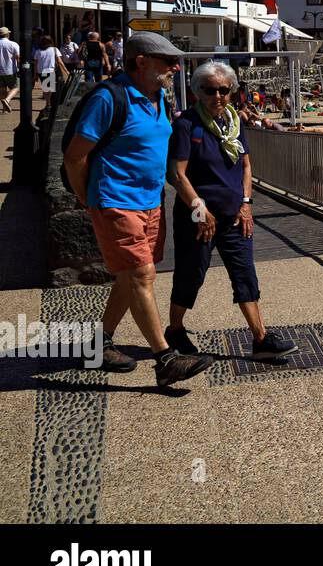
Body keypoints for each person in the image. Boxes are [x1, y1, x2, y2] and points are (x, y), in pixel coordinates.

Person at [62, 33, 215, 388]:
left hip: (150, 202)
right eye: (167, 60)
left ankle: (99, 346)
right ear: (141, 61)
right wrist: (90, 201)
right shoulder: (108, 97)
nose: (175, 67)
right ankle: (166, 360)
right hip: (116, 201)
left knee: (130, 278)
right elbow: (74, 157)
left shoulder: (159, 96)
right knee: (142, 275)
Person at [166, 61, 297, 360]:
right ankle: (175, 329)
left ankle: (261, 339)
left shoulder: (234, 123)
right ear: (197, 92)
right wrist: (200, 208)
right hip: (197, 217)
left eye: (224, 90)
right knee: (191, 274)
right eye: (210, 90)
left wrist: (247, 204)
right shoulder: (187, 125)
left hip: (235, 216)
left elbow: (246, 167)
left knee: (244, 274)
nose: (218, 96)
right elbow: (176, 174)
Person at [0, 27, 19, 113]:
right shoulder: (13, 44)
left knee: (2, 89)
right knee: (16, 87)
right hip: (10, 70)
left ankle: (4, 109)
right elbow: (18, 57)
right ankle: (7, 100)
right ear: (7, 34)